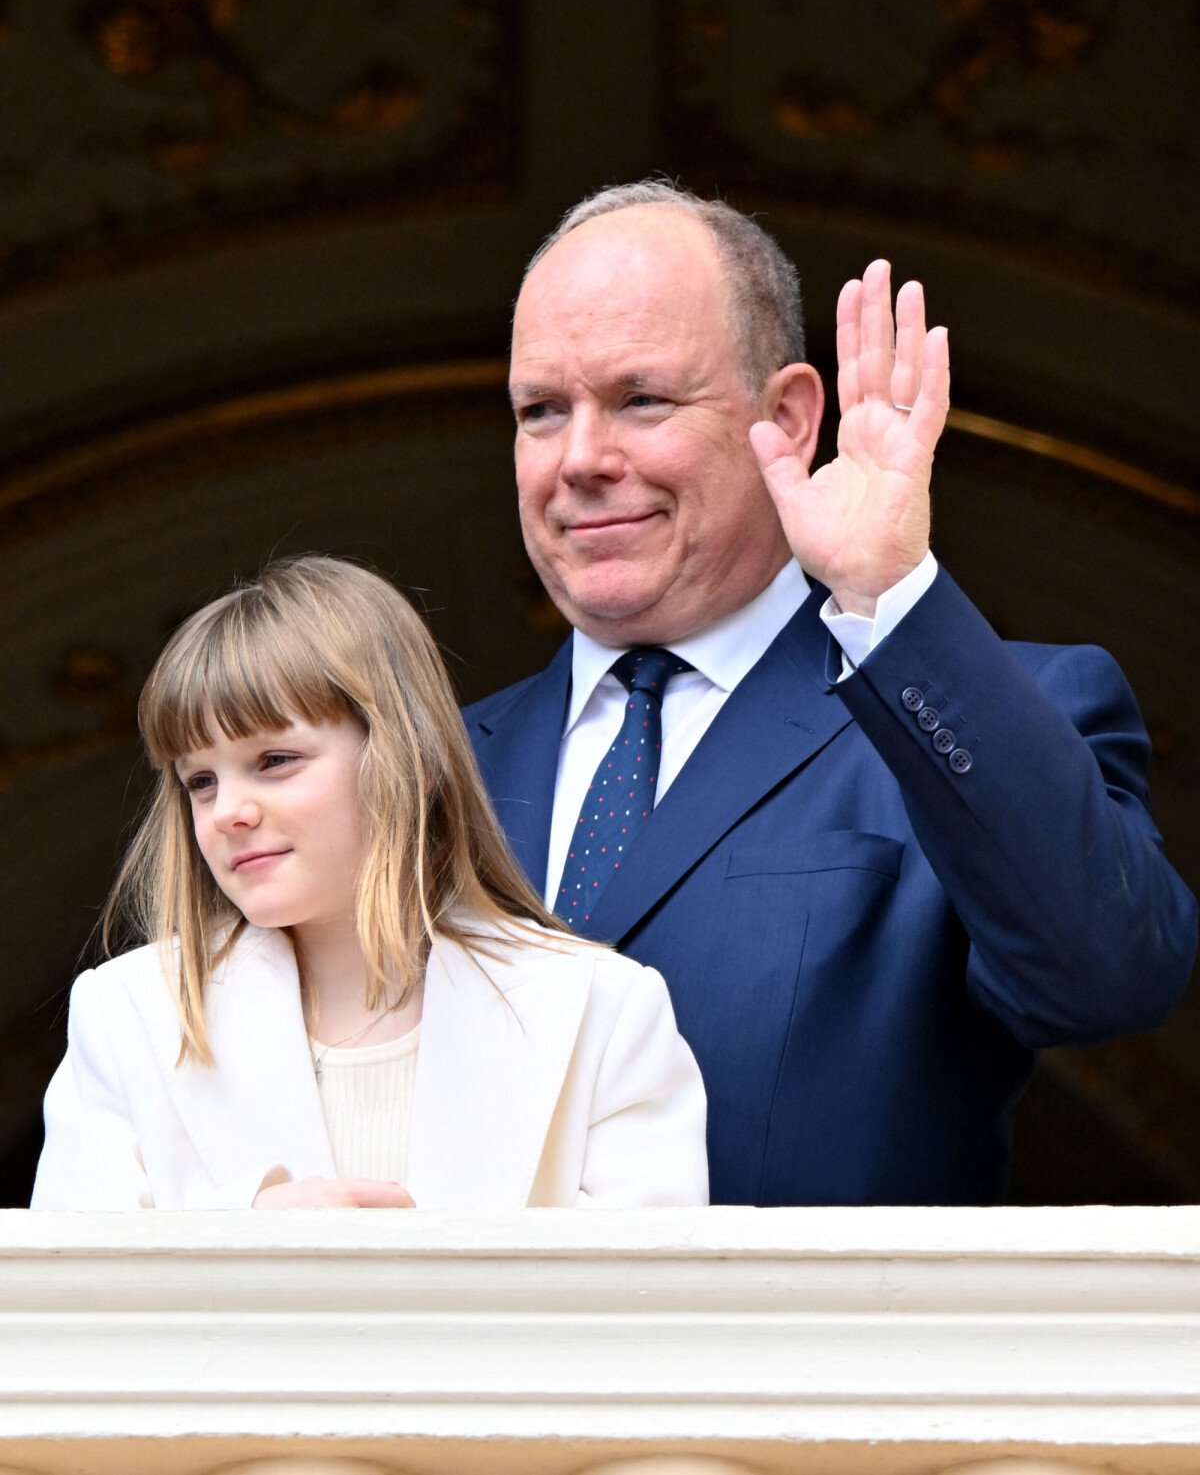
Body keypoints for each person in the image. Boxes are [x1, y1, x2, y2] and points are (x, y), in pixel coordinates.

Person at [463, 178, 1198, 1206]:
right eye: (541, 411)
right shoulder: (427, 767)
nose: (581, 458)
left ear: (790, 417)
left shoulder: (974, 710)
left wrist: (887, 594)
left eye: (641, 399)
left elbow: (1109, 973)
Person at [32, 556, 707, 1211]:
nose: (227, 811)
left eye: (274, 759)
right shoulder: (127, 1017)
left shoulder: (602, 1010)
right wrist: (246, 1245)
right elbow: (69, 1308)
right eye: (199, 780)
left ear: (404, 753)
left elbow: (648, 1316)